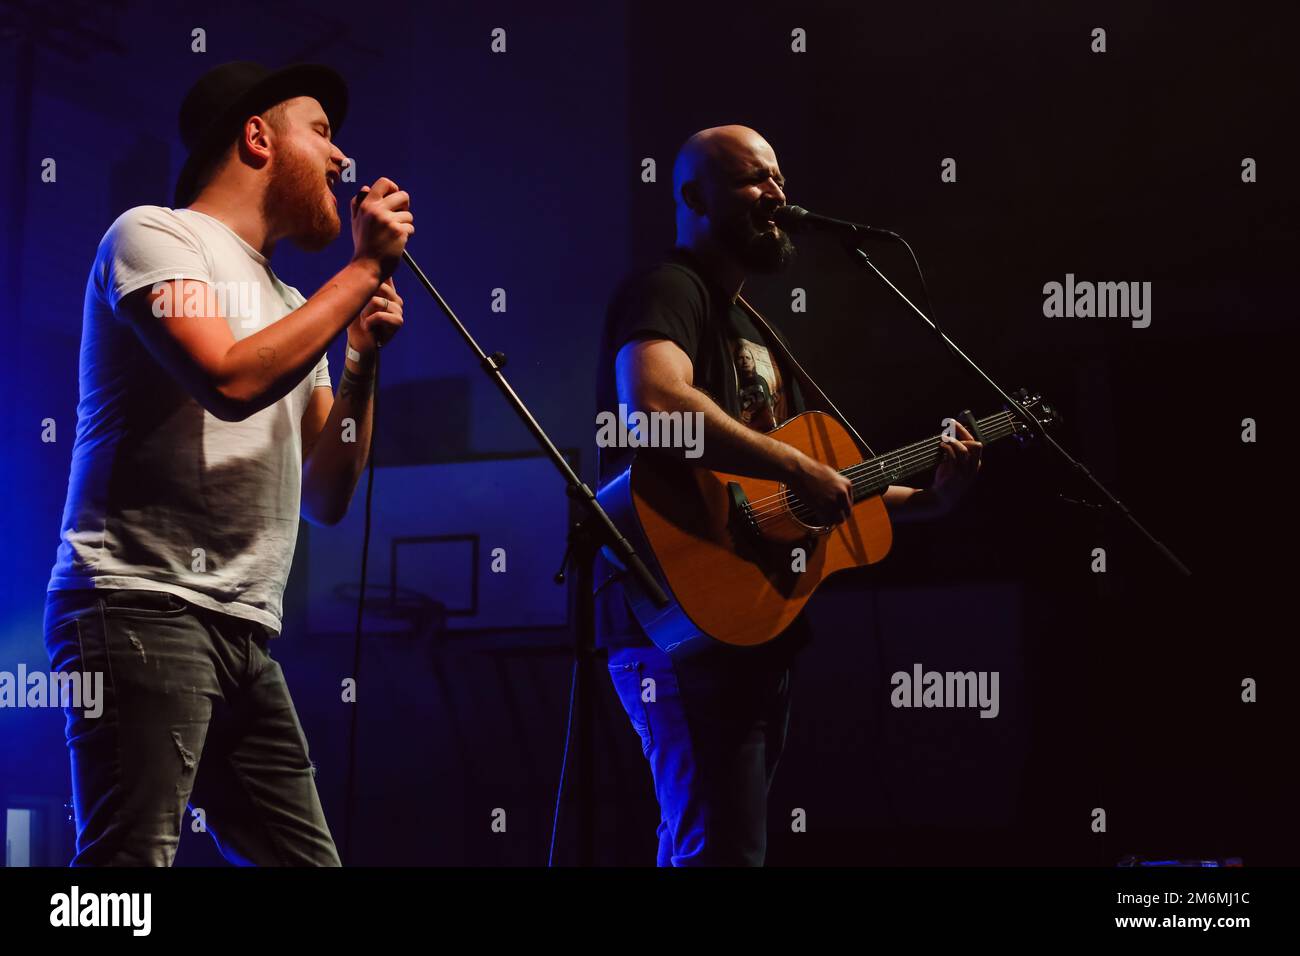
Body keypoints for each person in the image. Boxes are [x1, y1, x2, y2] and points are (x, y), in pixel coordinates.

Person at [43, 60, 415, 866]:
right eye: (320, 131)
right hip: (139, 602)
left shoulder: (290, 305)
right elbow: (230, 379)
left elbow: (328, 493)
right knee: (126, 867)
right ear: (258, 138)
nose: (341, 158)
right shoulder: (154, 235)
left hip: (243, 628)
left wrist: (359, 363)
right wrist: (356, 275)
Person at [595, 125, 983, 866]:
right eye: (752, 181)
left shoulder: (758, 328)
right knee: (718, 851)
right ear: (692, 196)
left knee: (713, 846)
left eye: (777, 179)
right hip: (673, 611)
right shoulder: (669, 288)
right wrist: (794, 467)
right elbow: (652, 405)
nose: (777, 196)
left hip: (749, 623)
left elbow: (816, 494)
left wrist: (934, 498)